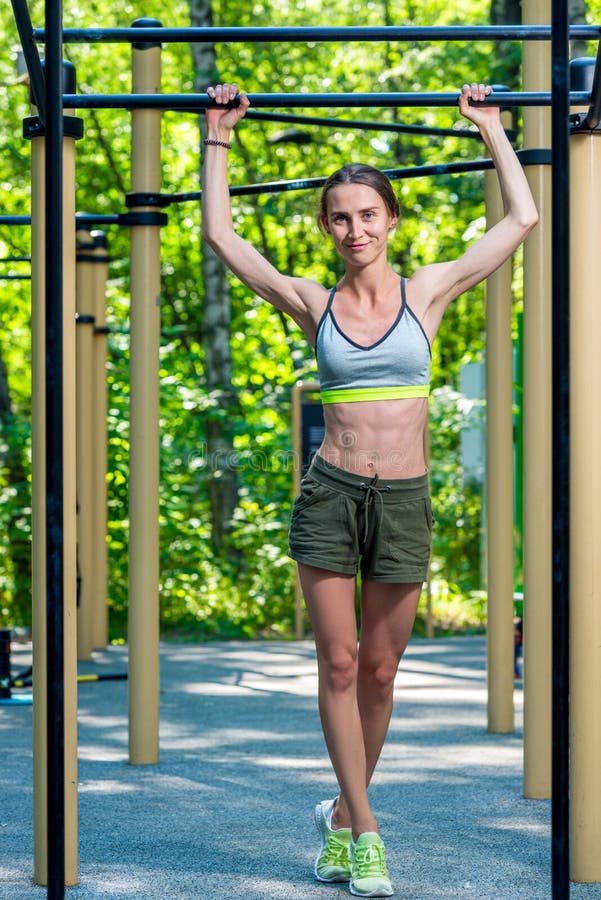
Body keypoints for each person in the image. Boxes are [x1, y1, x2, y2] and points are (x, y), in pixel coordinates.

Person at [202, 81, 538, 898]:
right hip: (331, 494)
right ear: (327, 227)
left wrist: (491, 128)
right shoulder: (311, 304)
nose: (353, 229)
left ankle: (341, 818)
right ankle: (368, 832)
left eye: (366, 215)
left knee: (384, 670)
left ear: (390, 222)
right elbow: (220, 234)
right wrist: (217, 137)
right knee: (342, 662)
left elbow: (520, 220)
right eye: (339, 217)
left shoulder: (426, 292)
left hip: (403, 500)